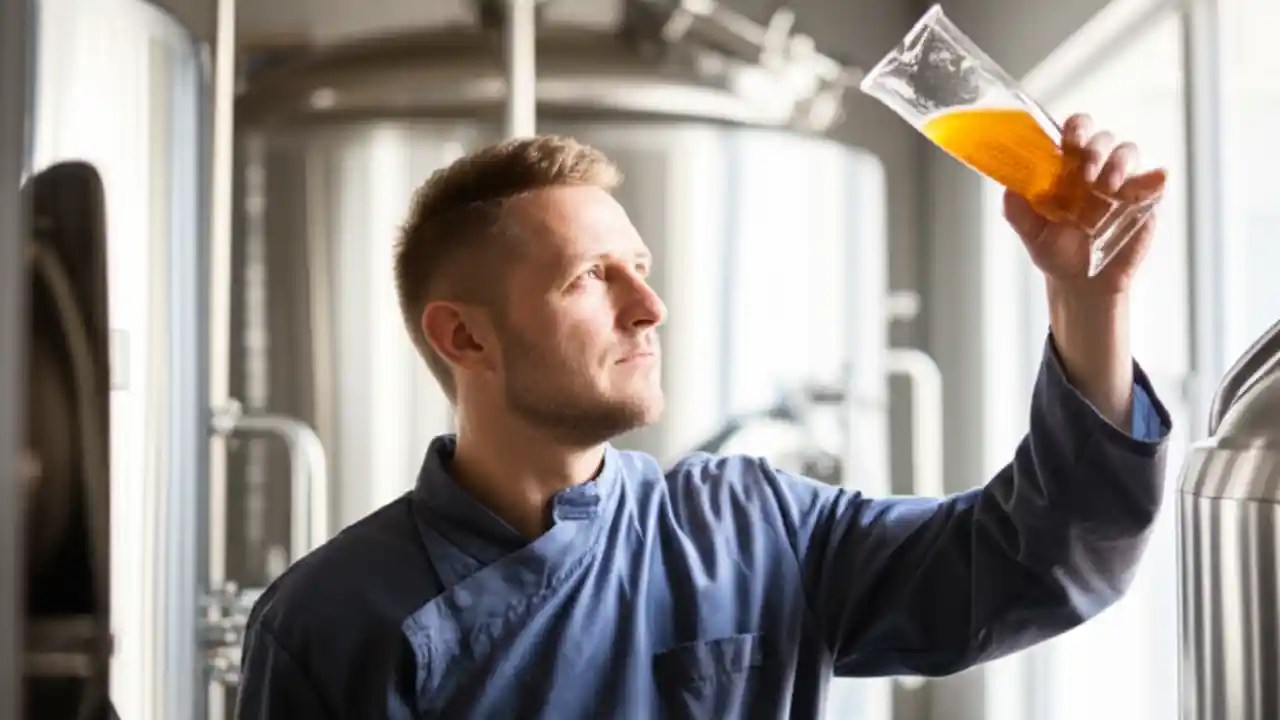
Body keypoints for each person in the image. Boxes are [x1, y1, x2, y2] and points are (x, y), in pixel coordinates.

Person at [235, 114, 1171, 719]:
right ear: (465, 341)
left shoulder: (752, 528)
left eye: (640, 266)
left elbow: (1040, 561)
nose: (651, 306)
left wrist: (1088, 303)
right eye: (589, 278)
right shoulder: (328, 621)